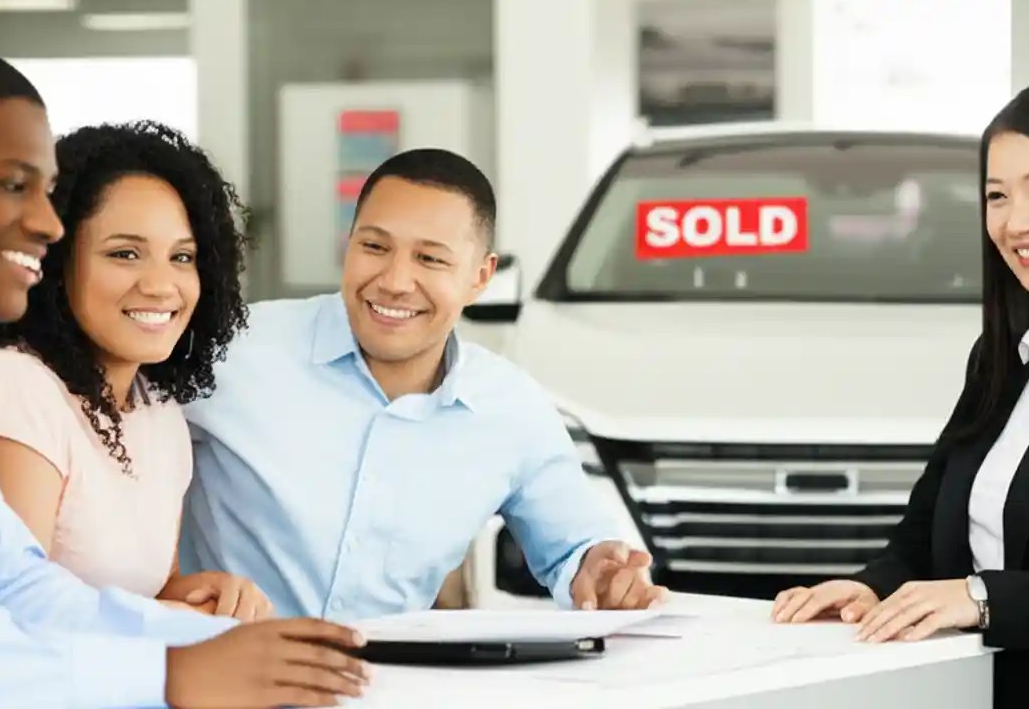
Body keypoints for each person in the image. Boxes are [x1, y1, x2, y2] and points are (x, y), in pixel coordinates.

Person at [0, 43, 369, 708]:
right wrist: (165, 673)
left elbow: (9, 583)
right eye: (12, 186)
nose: (48, 225)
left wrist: (201, 642)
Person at [181, 148, 668, 621]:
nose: (394, 281)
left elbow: (576, 547)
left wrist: (601, 573)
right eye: (374, 247)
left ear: (480, 277)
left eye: (430, 259)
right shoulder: (233, 350)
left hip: (390, 673)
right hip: (216, 669)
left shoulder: (510, 407)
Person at [771, 77, 1029, 707]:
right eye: (996, 196)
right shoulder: (1003, 357)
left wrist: (983, 598)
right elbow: (928, 529)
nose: (1015, 222)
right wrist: (875, 588)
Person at [0, 120, 272, 620]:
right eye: (125, 254)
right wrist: (173, 622)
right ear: (54, 263)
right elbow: (4, 610)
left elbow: (139, 594)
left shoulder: (158, 413)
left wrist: (203, 596)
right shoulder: (12, 387)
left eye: (182, 257)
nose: (161, 285)